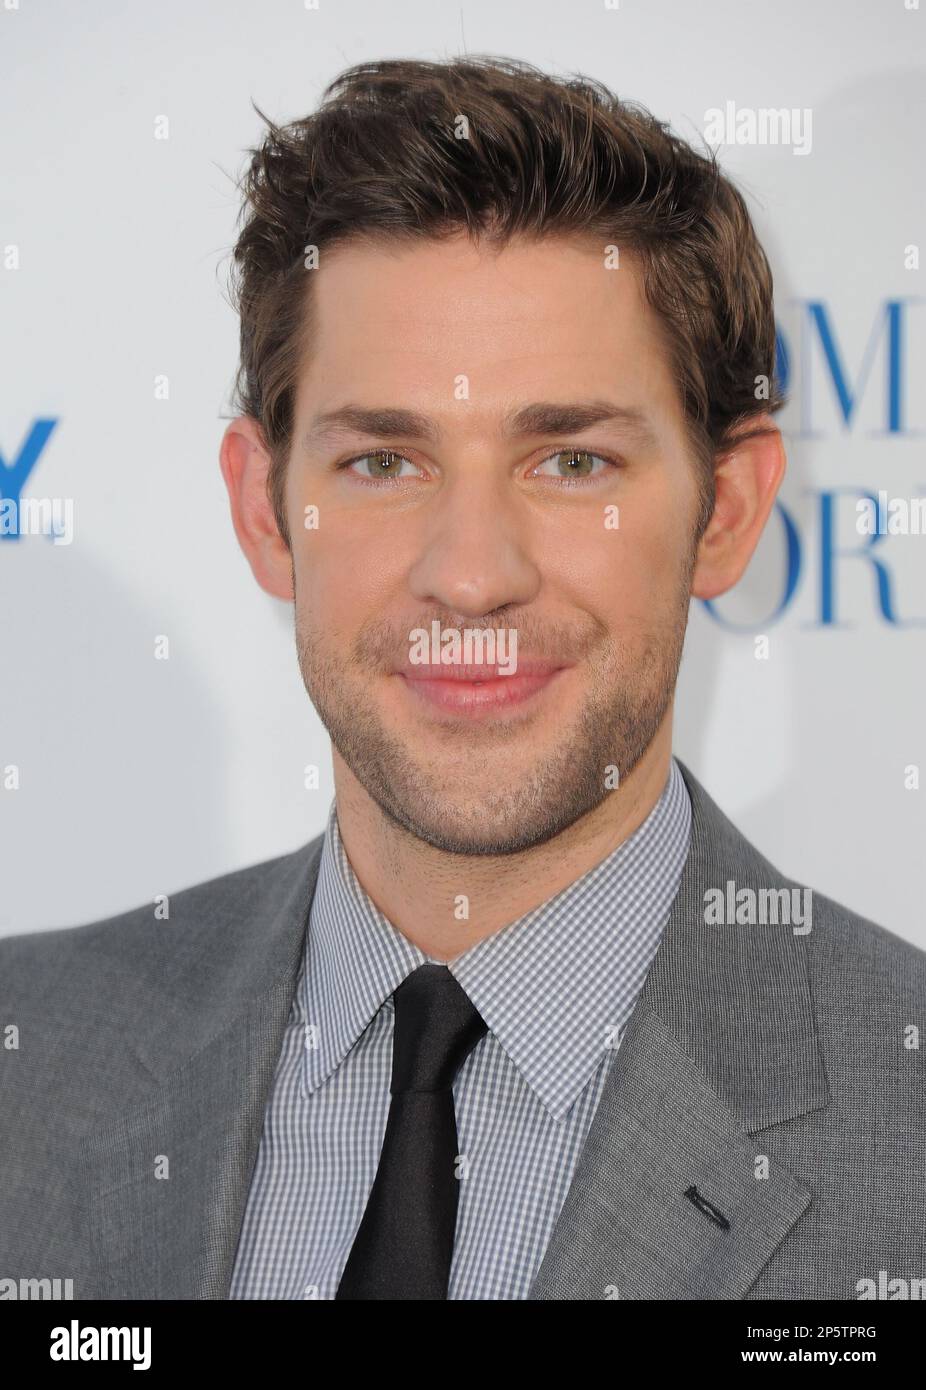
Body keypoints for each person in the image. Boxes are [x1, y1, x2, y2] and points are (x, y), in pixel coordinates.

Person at [2, 56, 923, 1302]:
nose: (472, 576)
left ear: (727, 512)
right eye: (384, 462)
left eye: (572, 463)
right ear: (266, 514)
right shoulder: (28, 1060)